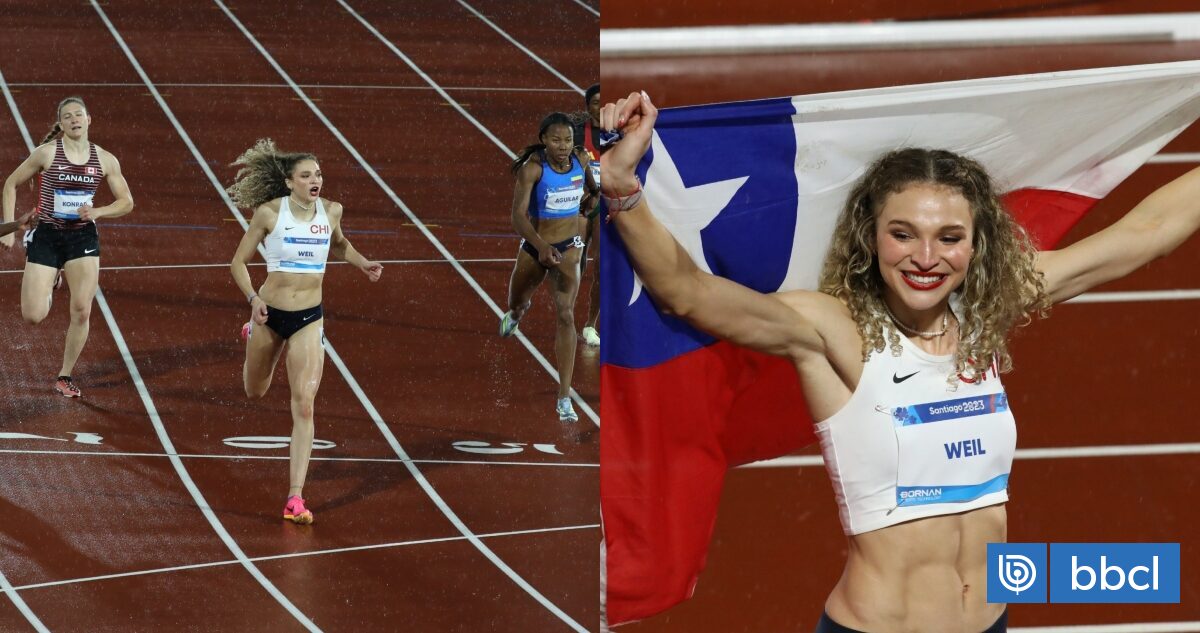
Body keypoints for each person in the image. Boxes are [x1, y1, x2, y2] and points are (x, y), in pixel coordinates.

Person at [600, 91, 1200, 632]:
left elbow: (1146, 231)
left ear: (975, 243)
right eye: (903, 234)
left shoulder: (986, 308)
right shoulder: (832, 330)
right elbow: (688, 292)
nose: (925, 257)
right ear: (871, 236)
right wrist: (624, 186)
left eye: (948, 237)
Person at [228, 139, 382, 525]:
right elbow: (238, 262)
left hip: (309, 319)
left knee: (306, 403)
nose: (316, 180)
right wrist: (252, 300)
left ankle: (294, 498)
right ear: (289, 181)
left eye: (318, 174)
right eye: (306, 175)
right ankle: (251, 333)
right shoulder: (268, 214)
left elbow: (341, 244)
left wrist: (362, 263)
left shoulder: (331, 211)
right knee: (255, 391)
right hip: (269, 313)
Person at [1, 96, 134, 398]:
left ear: (89, 120)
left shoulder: (105, 159)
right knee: (33, 316)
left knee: (81, 310)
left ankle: (65, 375)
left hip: (82, 239)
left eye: (79, 114)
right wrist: (7, 229)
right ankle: (52, 279)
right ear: (61, 125)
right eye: (68, 116)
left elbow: (127, 202)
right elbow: (10, 183)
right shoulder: (46, 154)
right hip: (47, 235)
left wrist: (98, 212)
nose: (74, 119)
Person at [498, 112, 598, 423]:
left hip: (569, 249)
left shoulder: (581, 160)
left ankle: (564, 397)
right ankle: (516, 314)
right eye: (556, 140)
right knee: (517, 300)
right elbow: (517, 217)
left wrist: (591, 202)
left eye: (568, 140)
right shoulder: (532, 170)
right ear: (544, 140)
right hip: (535, 247)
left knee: (566, 313)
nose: (563, 145)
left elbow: (593, 189)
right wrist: (541, 247)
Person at [574, 83, 603, 347]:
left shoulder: (620, 134)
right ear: (587, 107)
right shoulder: (576, 133)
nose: (600, 107)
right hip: (582, 206)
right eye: (595, 102)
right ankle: (567, 314)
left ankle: (590, 325)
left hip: (607, 207)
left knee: (602, 268)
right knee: (575, 263)